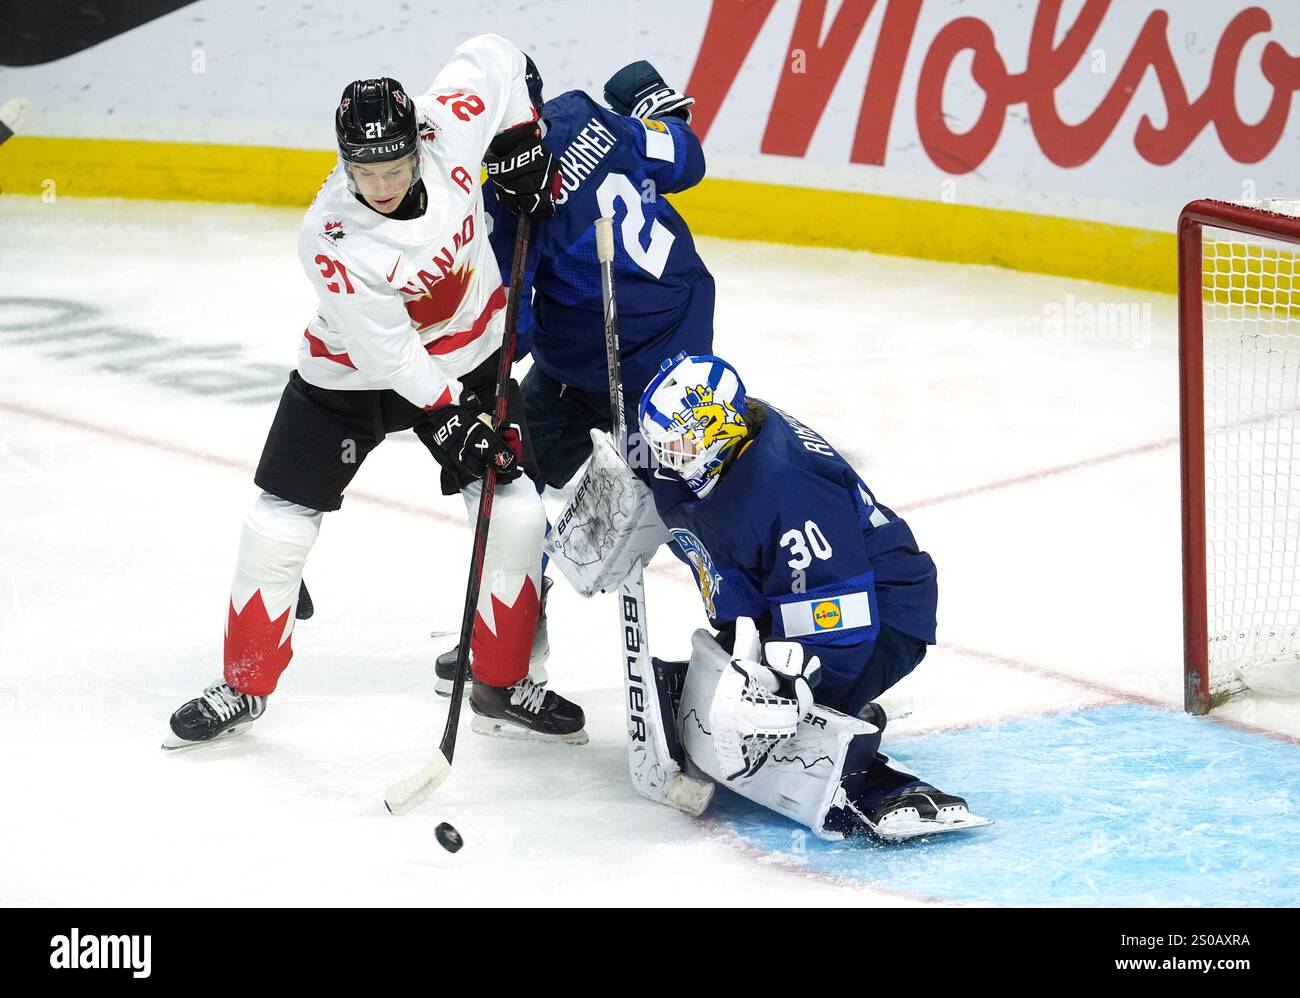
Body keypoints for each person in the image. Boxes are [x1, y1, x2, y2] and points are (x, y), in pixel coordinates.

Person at [164, 34, 587, 750]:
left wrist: (518, 140)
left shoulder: (447, 125)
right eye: (364, 169)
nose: (382, 184)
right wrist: (451, 415)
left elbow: (497, 56)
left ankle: (501, 677)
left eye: (393, 165)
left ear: (418, 140)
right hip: (351, 375)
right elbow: (390, 353)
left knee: (513, 515)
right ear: (342, 160)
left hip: (469, 354)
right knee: (277, 523)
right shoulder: (330, 235)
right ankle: (243, 683)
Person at [548, 352, 988, 840]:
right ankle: (837, 705)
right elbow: (650, 471)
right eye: (660, 443)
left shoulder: (788, 491)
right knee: (734, 700)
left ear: (722, 428)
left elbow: (836, 616)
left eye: (677, 444)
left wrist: (791, 690)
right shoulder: (708, 447)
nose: (665, 456)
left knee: (765, 721)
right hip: (784, 601)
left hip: (880, 615)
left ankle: (876, 776)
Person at [435, 59, 714, 691]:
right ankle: (508, 635)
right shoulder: (589, 115)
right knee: (511, 475)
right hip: (626, 347)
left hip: (656, 362)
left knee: (686, 501)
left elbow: (514, 332)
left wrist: (465, 372)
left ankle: (744, 640)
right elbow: (687, 161)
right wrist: (649, 115)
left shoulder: (508, 208)